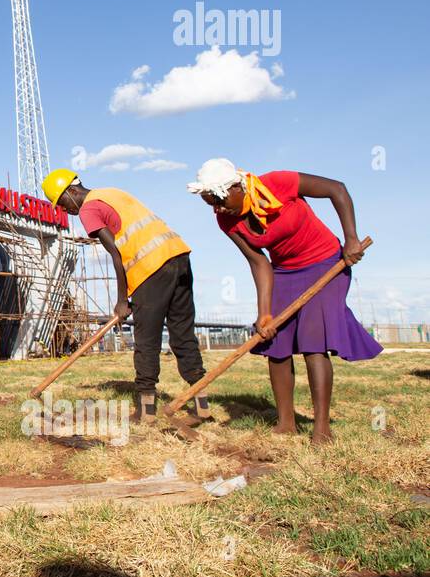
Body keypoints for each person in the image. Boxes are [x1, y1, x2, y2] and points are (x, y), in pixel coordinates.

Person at [187, 159, 381, 444]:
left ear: (237, 187)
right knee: (274, 343)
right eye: (210, 204)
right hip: (284, 272)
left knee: (313, 342)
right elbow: (258, 263)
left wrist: (350, 239)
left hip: (325, 262)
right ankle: (286, 423)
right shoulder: (226, 218)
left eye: (218, 199)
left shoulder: (277, 183)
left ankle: (322, 428)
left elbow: (337, 189)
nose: (217, 208)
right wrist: (264, 314)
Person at [42, 169, 208, 422]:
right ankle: (201, 405)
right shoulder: (111, 192)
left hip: (151, 268)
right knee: (183, 333)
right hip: (179, 256)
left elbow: (116, 253)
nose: (66, 211)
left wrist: (121, 300)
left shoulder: (88, 208)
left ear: (71, 192)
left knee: (146, 340)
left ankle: (146, 411)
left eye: (62, 203)